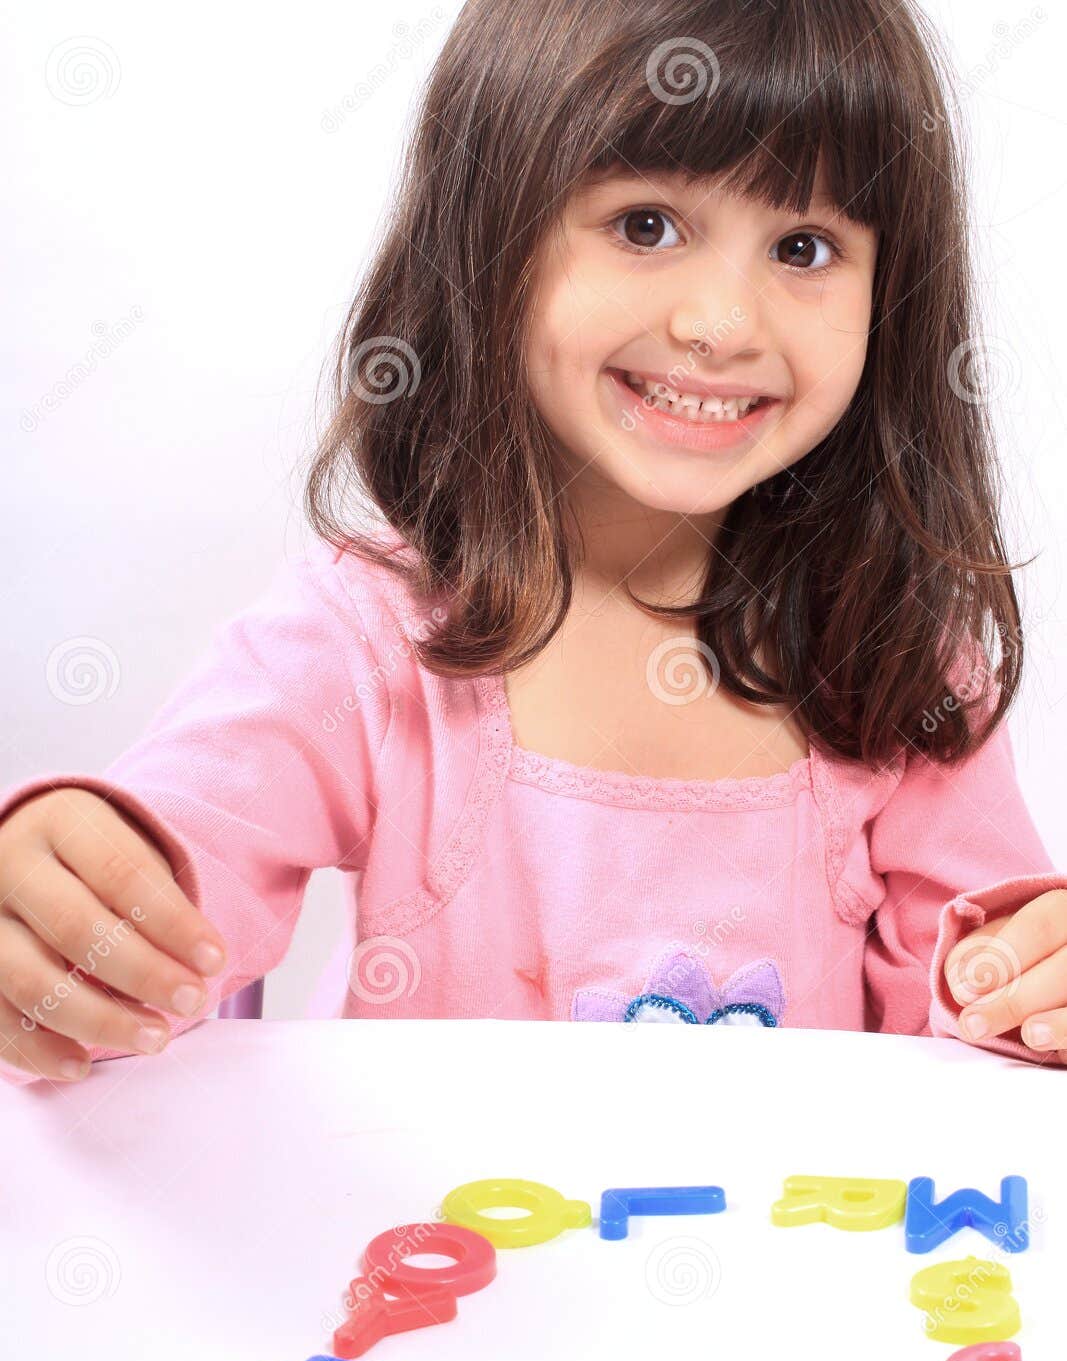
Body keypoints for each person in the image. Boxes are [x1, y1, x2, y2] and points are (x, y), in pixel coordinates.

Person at [2, 0, 1065, 1086]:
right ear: (488, 233)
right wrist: (68, 898)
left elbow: (986, 1031)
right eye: (644, 226)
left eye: (803, 248)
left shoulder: (895, 662)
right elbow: (170, 878)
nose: (722, 324)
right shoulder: (363, 639)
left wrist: (1030, 989)